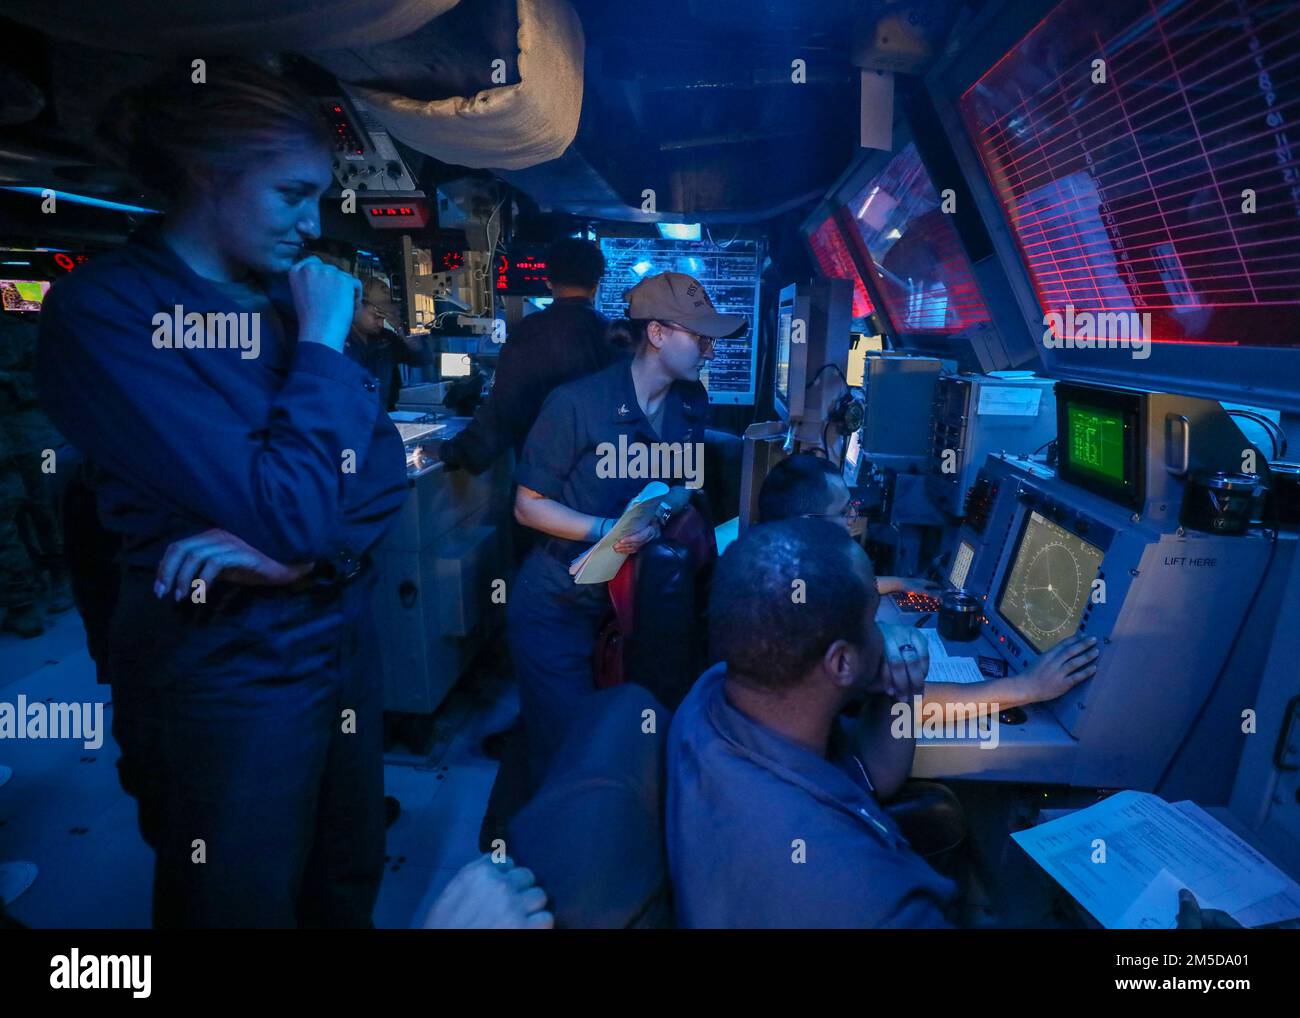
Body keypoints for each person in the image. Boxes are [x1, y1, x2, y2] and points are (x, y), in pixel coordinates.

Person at [35, 59, 408, 928]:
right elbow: (288, 510)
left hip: (337, 631)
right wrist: (320, 345)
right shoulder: (106, 314)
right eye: (292, 195)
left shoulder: (279, 299)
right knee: (237, 899)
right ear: (210, 175)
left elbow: (380, 466)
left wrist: (302, 558)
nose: (312, 225)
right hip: (225, 665)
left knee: (345, 872)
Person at [507, 271, 742, 789]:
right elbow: (528, 506)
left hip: (626, 606)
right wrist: (609, 528)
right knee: (563, 750)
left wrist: (661, 509)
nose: (709, 349)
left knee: (612, 742)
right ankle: (518, 852)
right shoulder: (577, 404)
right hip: (558, 603)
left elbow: (685, 481)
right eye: (699, 337)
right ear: (657, 334)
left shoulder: (690, 401)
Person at [667, 518, 955, 928]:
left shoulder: (715, 691)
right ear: (840, 662)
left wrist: (902, 683)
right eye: (875, 618)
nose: (886, 630)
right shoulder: (874, 903)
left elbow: (875, 775)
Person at [758, 452, 1100, 712]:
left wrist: (898, 582)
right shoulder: (809, 619)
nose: (853, 520)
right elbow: (905, 702)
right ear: (809, 522)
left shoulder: (786, 573)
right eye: (844, 512)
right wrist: (1027, 687)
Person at [436, 237, 621, 476]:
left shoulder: (529, 332)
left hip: (546, 476)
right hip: (606, 472)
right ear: (595, 285)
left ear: (548, 282)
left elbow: (502, 412)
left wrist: (454, 451)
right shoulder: (613, 335)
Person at [343, 276, 434, 411]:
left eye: (384, 317)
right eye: (377, 316)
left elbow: (424, 359)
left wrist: (404, 332)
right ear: (356, 305)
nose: (381, 323)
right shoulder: (337, 339)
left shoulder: (386, 339)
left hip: (380, 418)